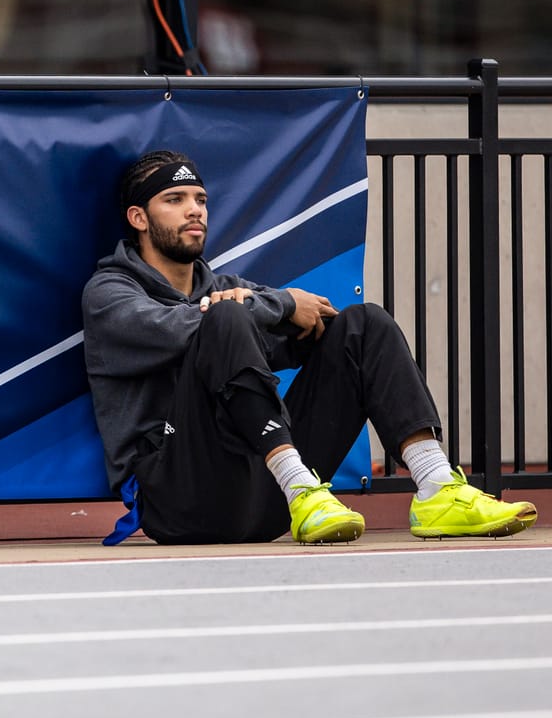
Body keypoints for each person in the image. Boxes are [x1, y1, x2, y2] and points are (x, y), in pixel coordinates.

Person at [82, 149, 538, 545]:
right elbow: (182, 328)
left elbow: (291, 339)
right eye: (175, 200)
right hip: (177, 499)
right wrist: (280, 303)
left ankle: (436, 486)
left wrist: (308, 327)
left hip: (261, 496)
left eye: (200, 199)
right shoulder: (110, 292)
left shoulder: (226, 288)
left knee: (363, 325)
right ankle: (301, 488)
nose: (195, 210)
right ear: (138, 218)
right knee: (223, 316)